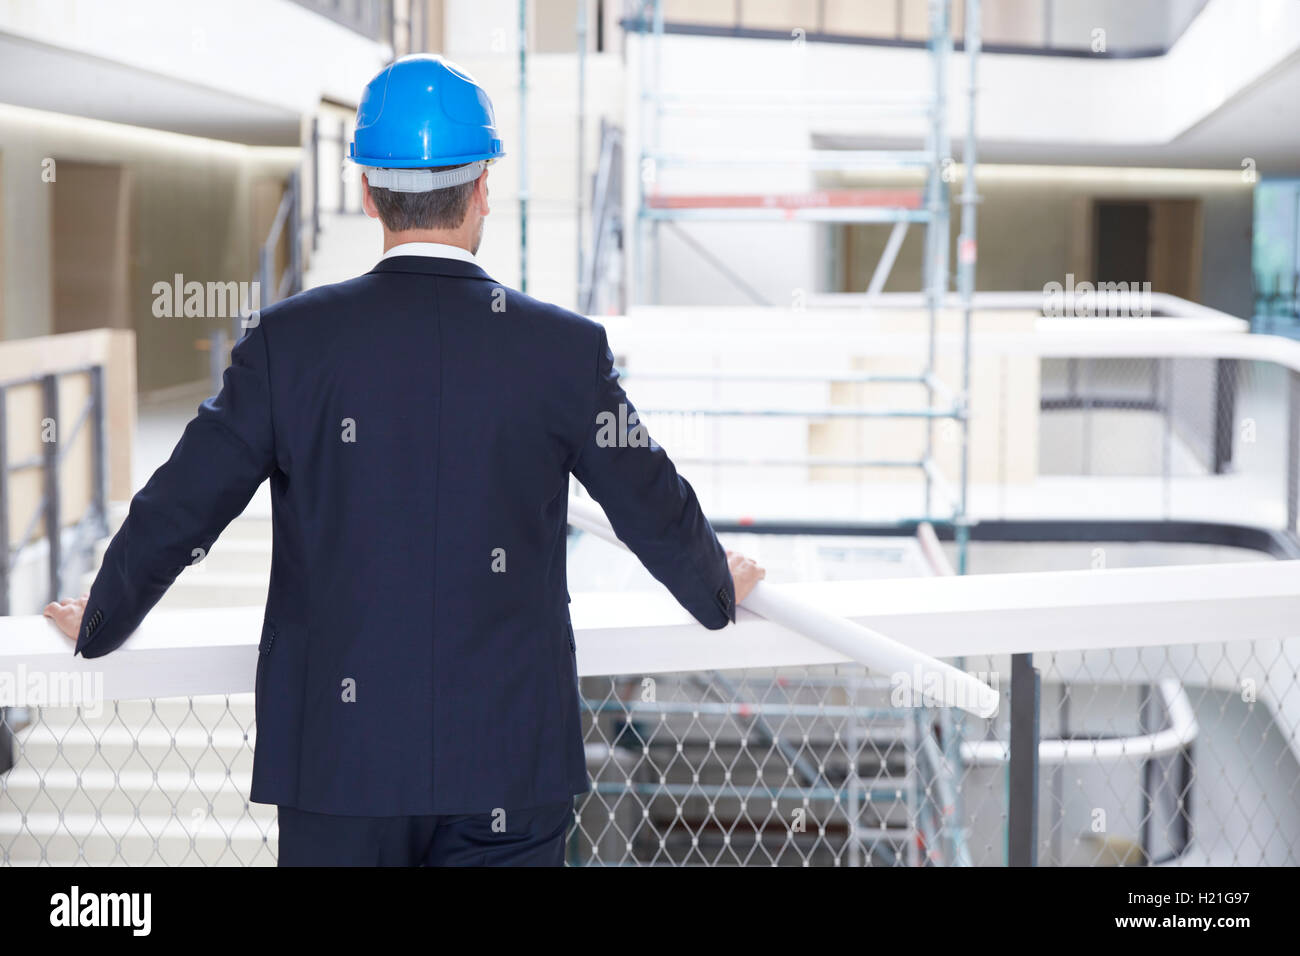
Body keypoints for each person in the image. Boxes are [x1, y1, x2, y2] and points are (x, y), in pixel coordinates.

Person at [43, 54, 765, 867]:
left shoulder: (292, 342)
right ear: (483, 188)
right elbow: (648, 499)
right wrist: (713, 586)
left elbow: (183, 505)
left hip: (340, 771)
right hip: (508, 766)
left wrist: (103, 616)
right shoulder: (560, 349)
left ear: (365, 192)